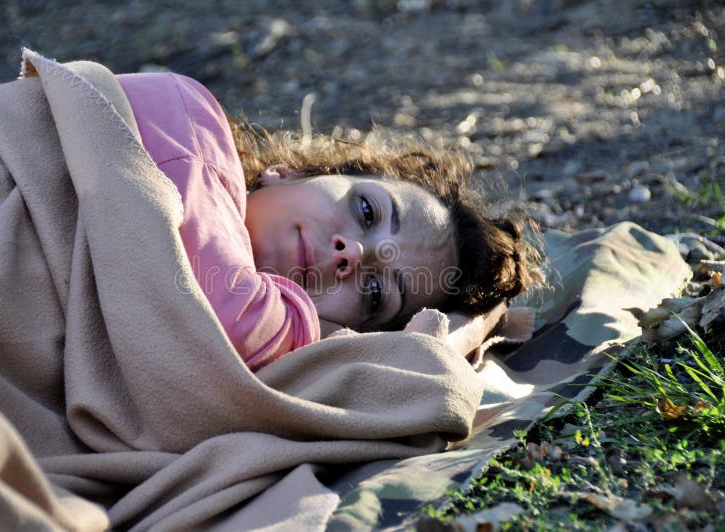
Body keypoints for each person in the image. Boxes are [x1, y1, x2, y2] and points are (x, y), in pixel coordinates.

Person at [117, 72, 542, 370]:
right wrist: (462, 336)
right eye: (367, 211)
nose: (352, 253)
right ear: (290, 171)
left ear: (354, 332)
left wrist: (468, 327)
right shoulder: (187, 121)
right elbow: (233, 325)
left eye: (375, 292)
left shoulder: (272, 354)